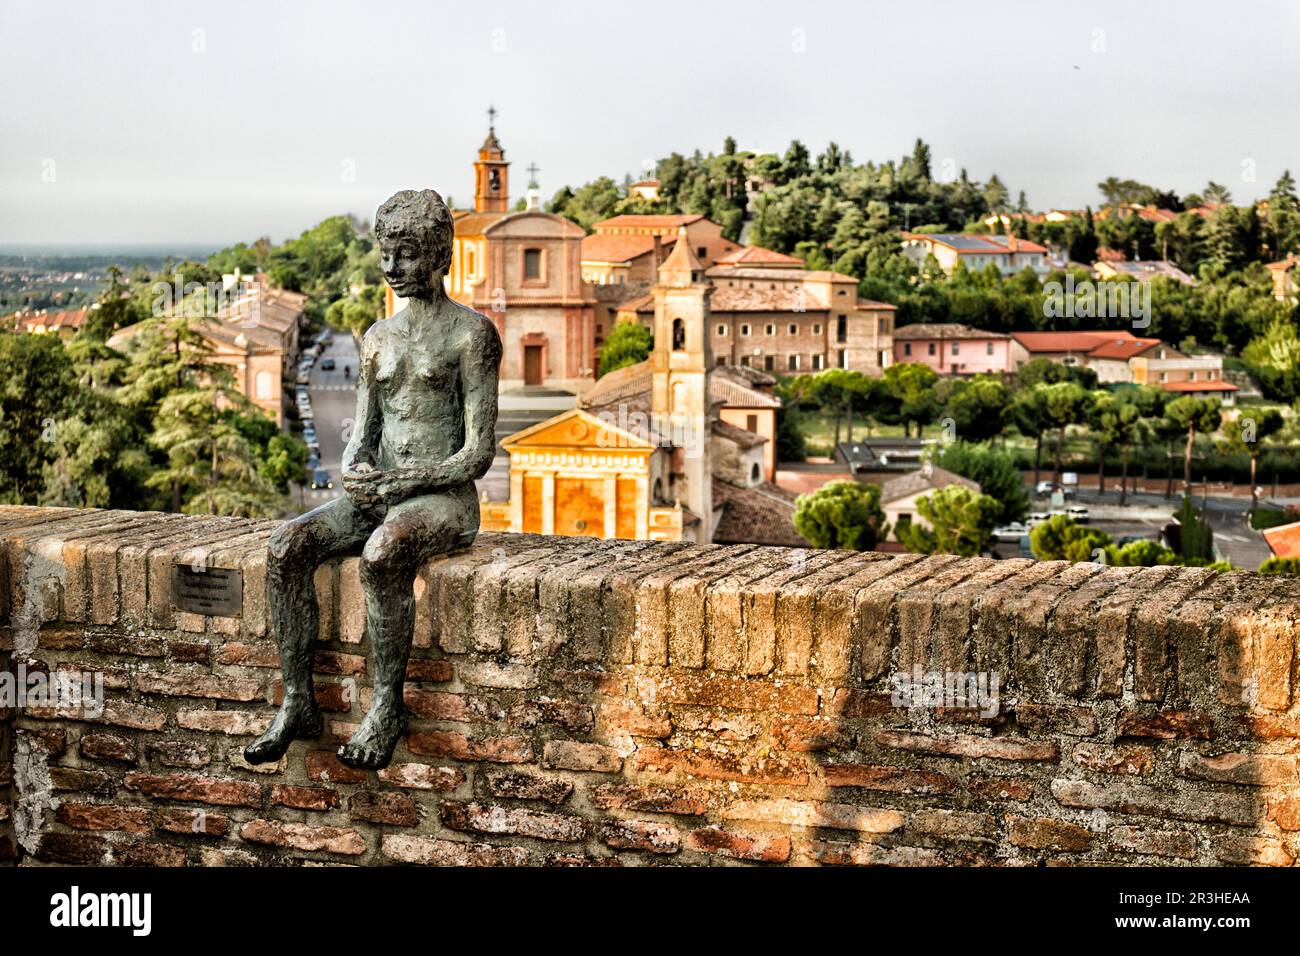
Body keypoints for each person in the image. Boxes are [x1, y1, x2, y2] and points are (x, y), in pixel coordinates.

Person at [243, 189, 501, 770]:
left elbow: (477, 454)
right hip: (382, 492)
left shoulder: (472, 335)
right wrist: (357, 468)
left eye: (406, 253)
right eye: (386, 253)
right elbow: (363, 429)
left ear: (439, 257)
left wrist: (406, 481)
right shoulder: (379, 337)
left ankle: (386, 707)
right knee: (286, 544)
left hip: (443, 502)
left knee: (383, 554)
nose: (392, 267)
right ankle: (298, 703)